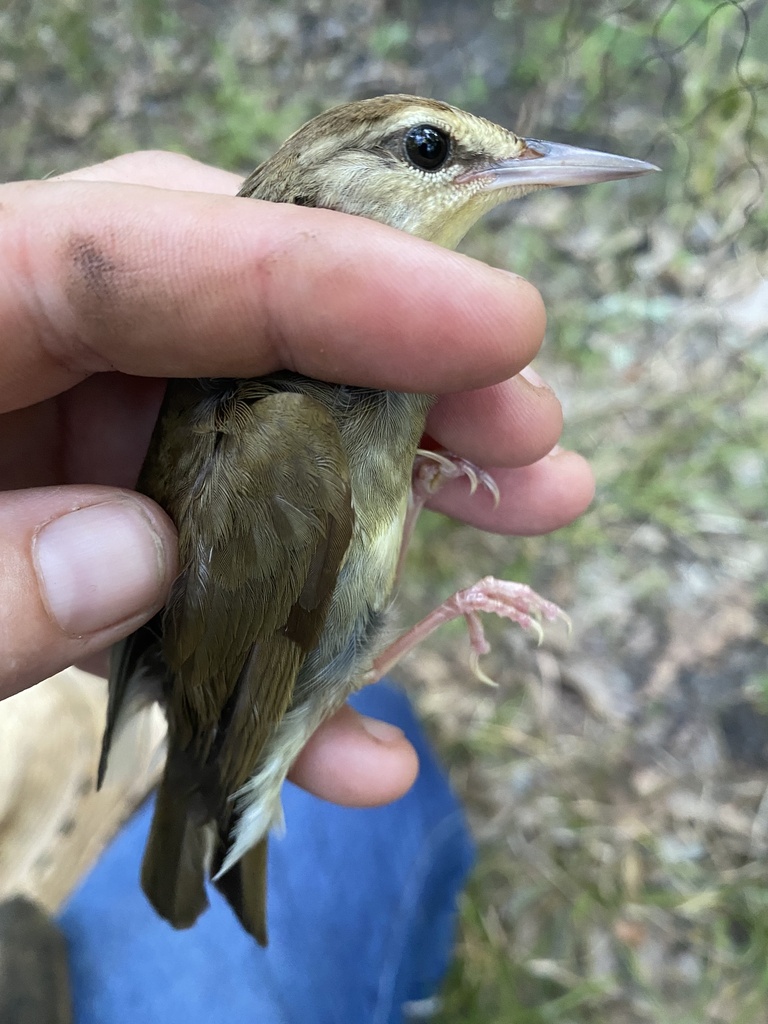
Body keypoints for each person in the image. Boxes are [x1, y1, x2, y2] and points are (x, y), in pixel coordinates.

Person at [0, 151, 595, 1022]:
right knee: (372, 724)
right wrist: (448, 606)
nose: (476, 167)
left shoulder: (308, 404)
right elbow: (310, 661)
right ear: (323, 195)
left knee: (377, 735)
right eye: (430, 152)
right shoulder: (286, 439)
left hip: (216, 692)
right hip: (235, 704)